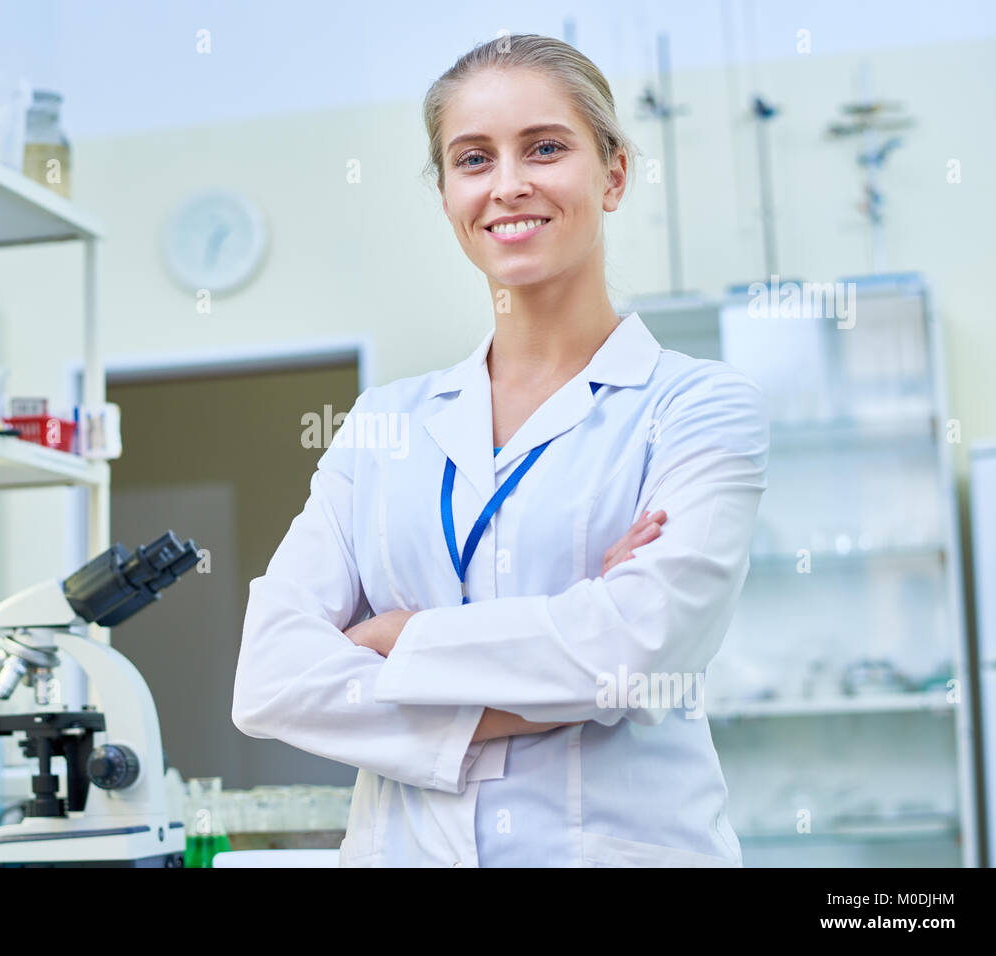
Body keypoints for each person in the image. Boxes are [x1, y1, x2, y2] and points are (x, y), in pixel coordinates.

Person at [232, 33, 769, 867]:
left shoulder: (697, 406)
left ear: (614, 174)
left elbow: (633, 651)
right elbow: (270, 680)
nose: (508, 184)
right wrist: (567, 666)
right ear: (446, 193)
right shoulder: (384, 423)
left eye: (545, 148)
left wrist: (402, 637)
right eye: (473, 158)